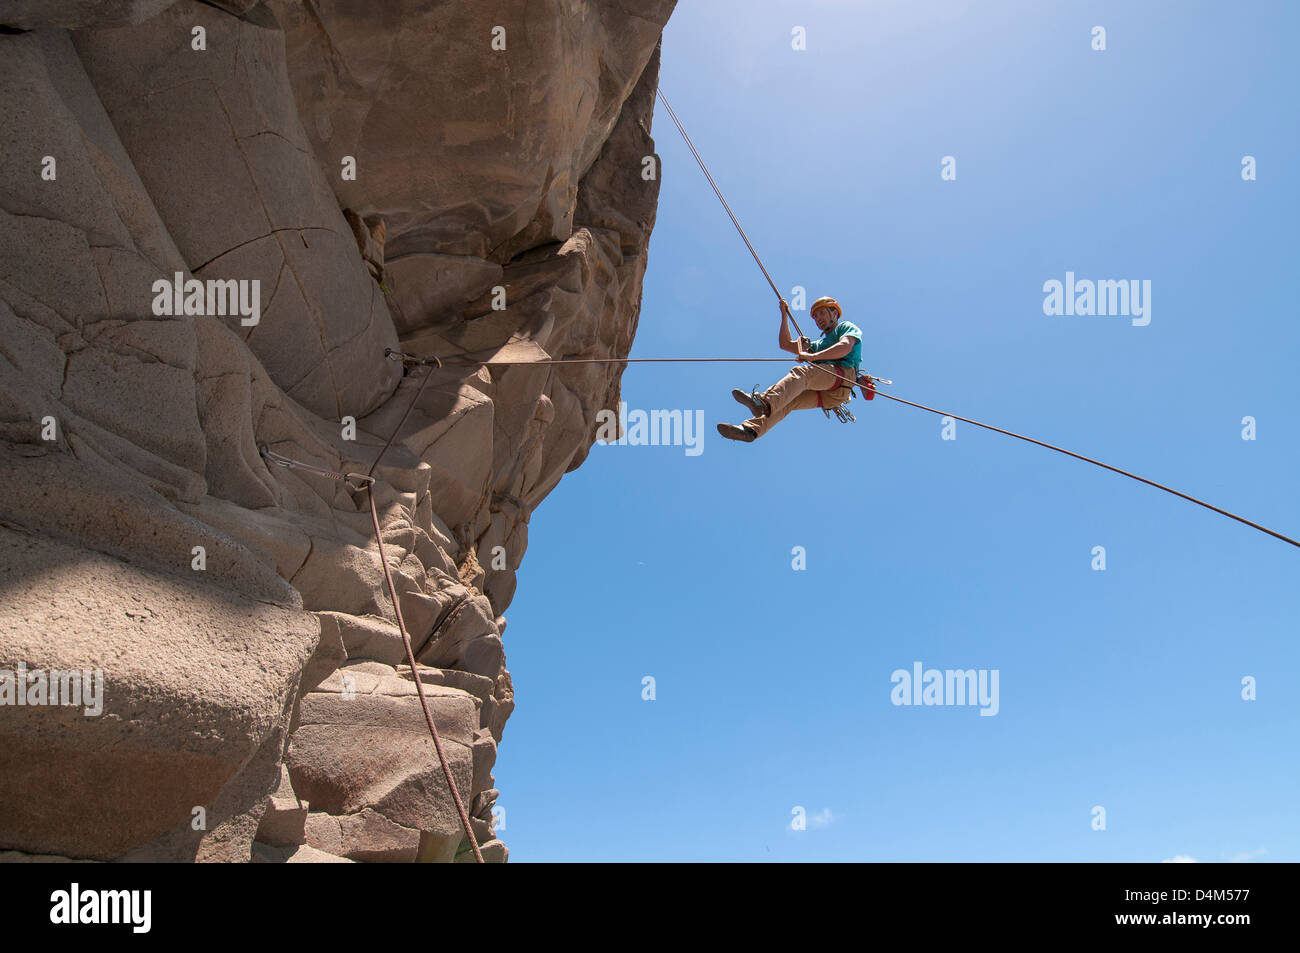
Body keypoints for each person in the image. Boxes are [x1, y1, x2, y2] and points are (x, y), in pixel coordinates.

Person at [718, 296, 862, 442]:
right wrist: (784, 315)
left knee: (801, 374)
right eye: (815, 316)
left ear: (834, 313)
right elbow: (785, 344)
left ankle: (763, 402)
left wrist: (813, 356)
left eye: (822, 313)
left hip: (843, 377)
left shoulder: (845, 327)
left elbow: (845, 346)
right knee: (788, 400)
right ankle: (751, 430)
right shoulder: (818, 344)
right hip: (828, 394)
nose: (818, 318)